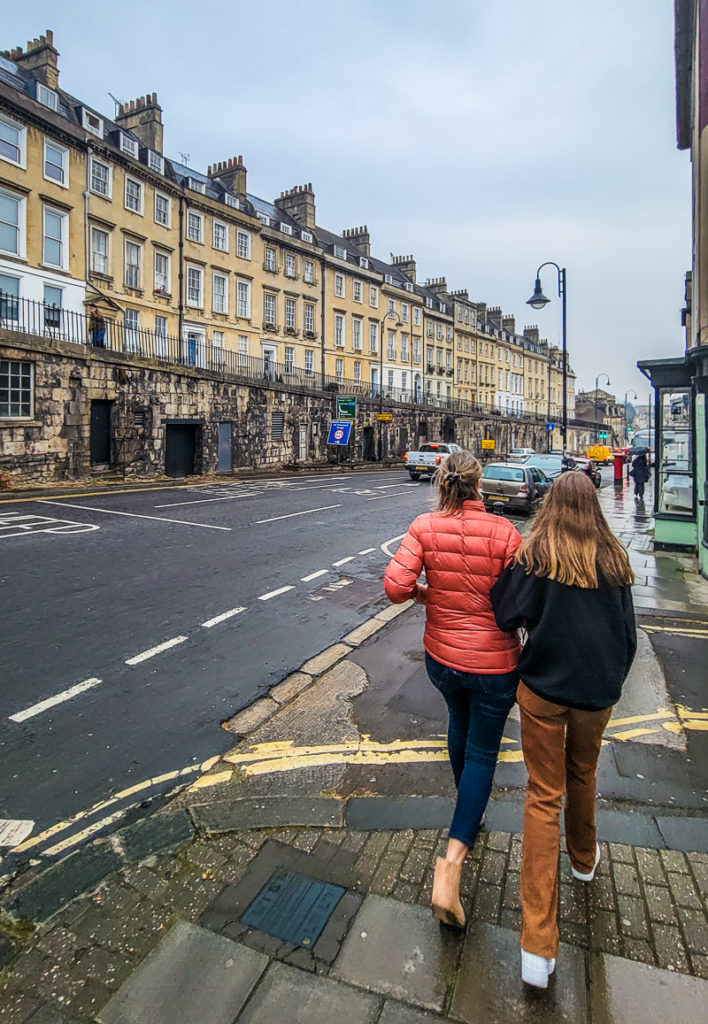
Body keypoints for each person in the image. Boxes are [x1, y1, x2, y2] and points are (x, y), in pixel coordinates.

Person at [490, 472, 636, 989]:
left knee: (542, 796)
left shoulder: (537, 555)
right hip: (597, 691)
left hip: (544, 690)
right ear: (593, 505)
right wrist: (611, 680)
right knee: (584, 773)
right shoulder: (614, 560)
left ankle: (536, 948)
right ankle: (583, 861)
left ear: (550, 502)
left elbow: (505, 610)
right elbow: (628, 637)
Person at [384, 450, 522, 929]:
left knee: (458, 725)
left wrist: (427, 592)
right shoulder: (506, 533)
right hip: (494, 663)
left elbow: (395, 585)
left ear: (443, 482)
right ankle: (453, 862)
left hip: (442, 657)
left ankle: (469, 811)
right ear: (478, 484)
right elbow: (518, 601)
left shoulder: (425, 526)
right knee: (484, 752)